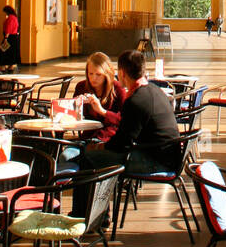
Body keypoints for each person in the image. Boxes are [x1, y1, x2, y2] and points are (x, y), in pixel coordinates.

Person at [70, 49, 180, 215]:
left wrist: (99, 149)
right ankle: (98, 216)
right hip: (169, 156)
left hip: (154, 161)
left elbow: (122, 143)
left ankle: (83, 216)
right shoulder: (155, 91)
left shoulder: (136, 100)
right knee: (98, 158)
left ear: (121, 73)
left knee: (88, 159)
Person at [72, 51, 126, 146]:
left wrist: (102, 111)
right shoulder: (81, 87)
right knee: (65, 156)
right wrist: (77, 107)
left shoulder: (117, 88)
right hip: (87, 139)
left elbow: (125, 120)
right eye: (90, 74)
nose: (93, 78)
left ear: (107, 74)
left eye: (98, 74)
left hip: (109, 140)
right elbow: (73, 119)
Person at [0, 4, 21, 72]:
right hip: (14, 37)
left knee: (3, 51)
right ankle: (11, 66)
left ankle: (3, 66)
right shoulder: (15, 18)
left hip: (9, 37)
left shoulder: (10, 18)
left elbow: (8, 28)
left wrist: (5, 38)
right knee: (12, 52)